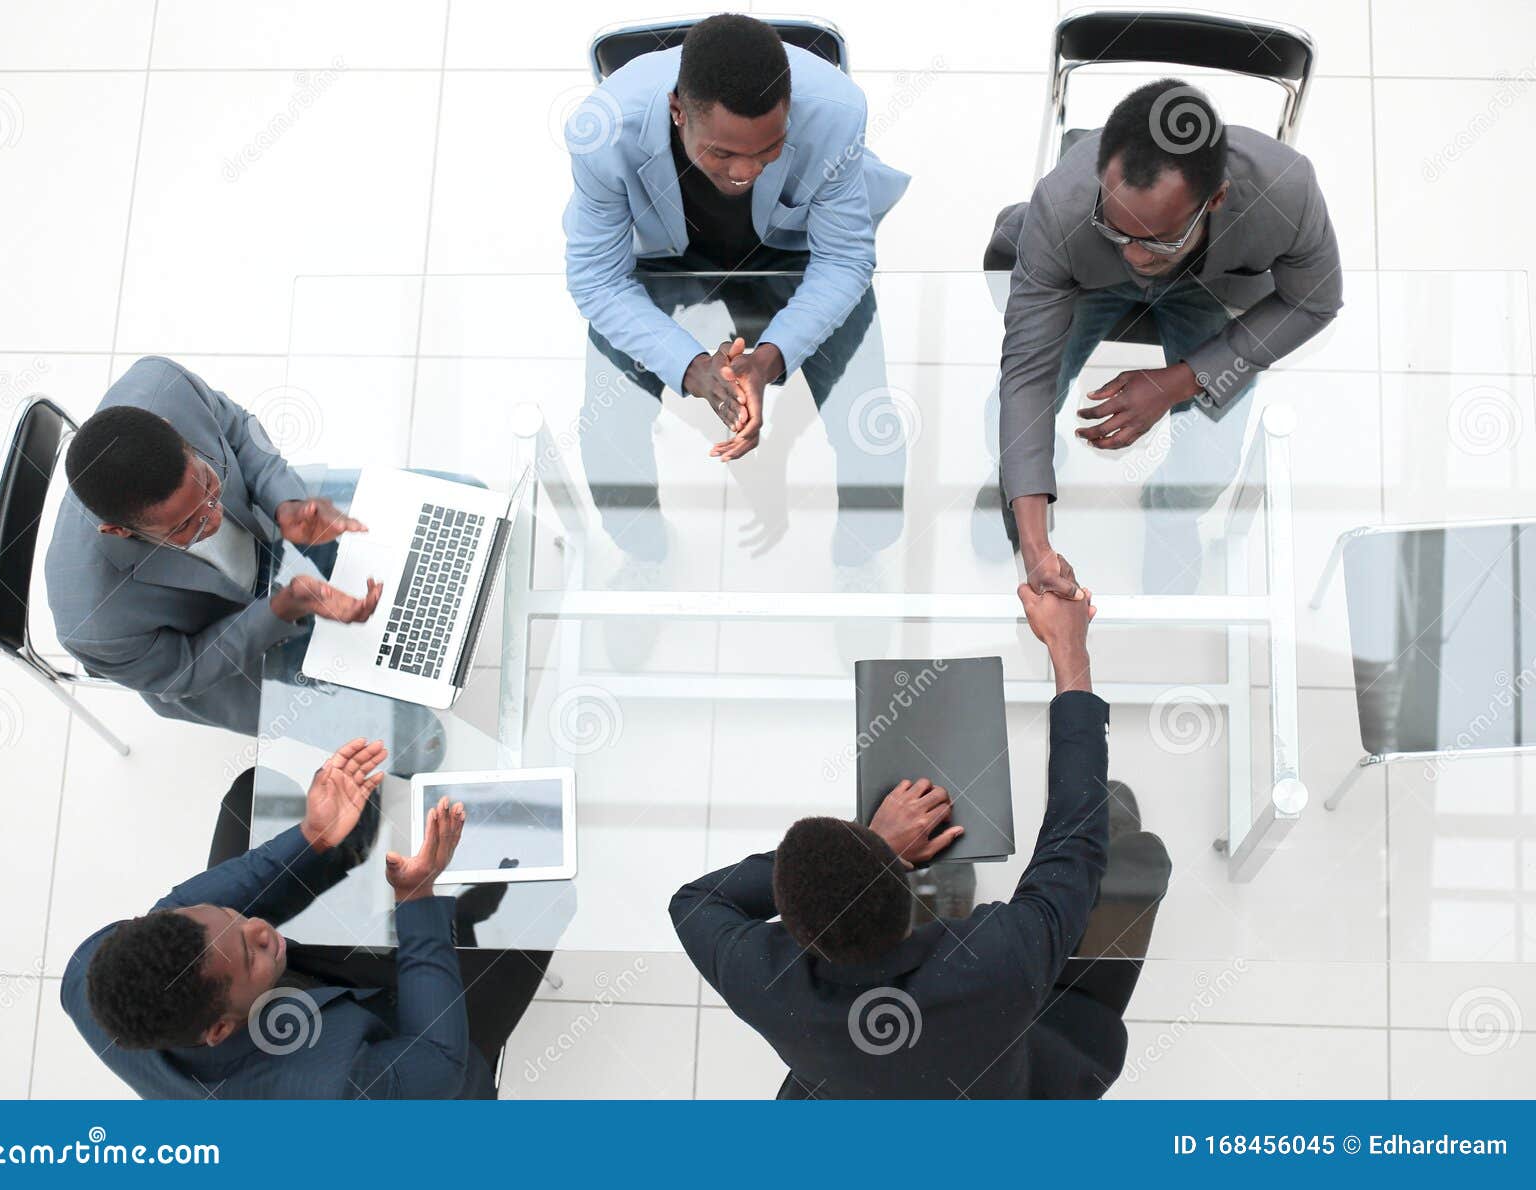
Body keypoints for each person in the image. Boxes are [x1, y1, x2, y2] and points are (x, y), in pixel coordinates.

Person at [669, 584, 1172, 1099]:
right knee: (1142, 857)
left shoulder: (773, 987)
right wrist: (1070, 650)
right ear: (896, 886)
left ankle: (941, 897)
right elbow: (1074, 847)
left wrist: (875, 854)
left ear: (796, 934)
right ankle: (947, 894)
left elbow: (692, 902)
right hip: (1022, 1069)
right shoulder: (999, 956)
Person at [563, 14, 911, 623]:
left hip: (791, 250)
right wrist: (693, 369)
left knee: (872, 429)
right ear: (677, 110)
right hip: (662, 257)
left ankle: (860, 557)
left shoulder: (836, 112)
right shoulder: (602, 133)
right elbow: (597, 279)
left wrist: (768, 358)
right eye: (720, 153)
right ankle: (643, 554)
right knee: (606, 433)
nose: (744, 172)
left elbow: (845, 259)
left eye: (768, 151)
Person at [984, 80, 1342, 596]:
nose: (1134, 256)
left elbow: (1315, 300)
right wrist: (1035, 544)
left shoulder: (1286, 189)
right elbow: (1028, 375)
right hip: (1084, 279)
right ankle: (1021, 490)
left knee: (1211, 464)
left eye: (1158, 239)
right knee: (1004, 410)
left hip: (1211, 289)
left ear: (1215, 198)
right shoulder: (1061, 207)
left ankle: (1169, 515)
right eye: (1117, 231)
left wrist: (1179, 382)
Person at [61, 739, 549, 1099]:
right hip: (417, 1077)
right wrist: (417, 896)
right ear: (220, 1030)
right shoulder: (328, 1090)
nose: (259, 929)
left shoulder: (92, 968)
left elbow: (229, 901)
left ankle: (349, 840)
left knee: (251, 794)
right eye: (249, 953)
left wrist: (316, 833)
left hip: (286, 994)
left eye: (230, 918)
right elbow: (438, 1065)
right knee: (539, 906)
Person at [43, 355, 382, 735]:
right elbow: (186, 669)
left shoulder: (165, 387)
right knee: (382, 728)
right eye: (187, 525)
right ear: (118, 532)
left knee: (400, 547)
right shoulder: (93, 625)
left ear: (173, 430)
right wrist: (281, 608)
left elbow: (237, 430)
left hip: (265, 526)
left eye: (206, 483)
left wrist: (286, 503)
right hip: (222, 643)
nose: (215, 516)